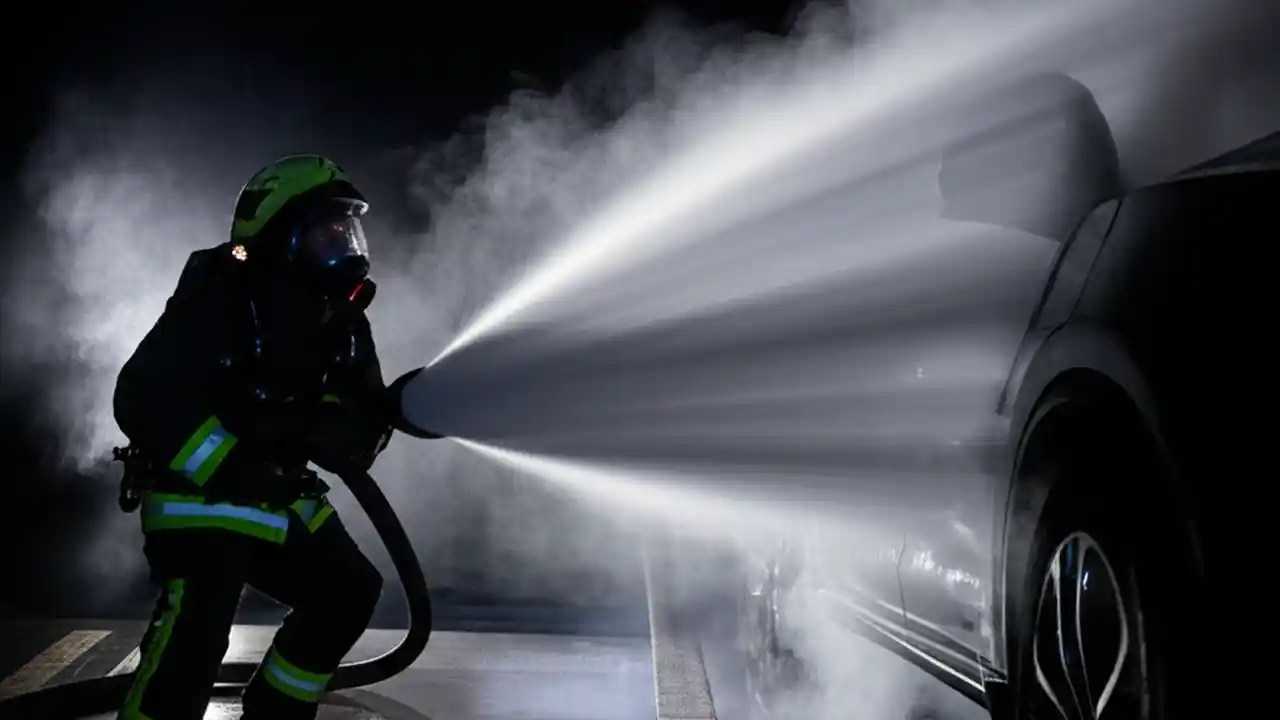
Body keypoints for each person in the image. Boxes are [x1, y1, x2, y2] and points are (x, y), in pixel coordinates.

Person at [113, 154, 424, 719]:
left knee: (348, 590)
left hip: (278, 497)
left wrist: (369, 423)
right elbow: (144, 397)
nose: (343, 239)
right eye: (327, 226)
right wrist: (232, 465)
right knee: (199, 627)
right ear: (281, 233)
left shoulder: (343, 319)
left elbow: (360, 432)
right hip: (199, 498)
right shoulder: (222, 294)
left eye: (347, 226)